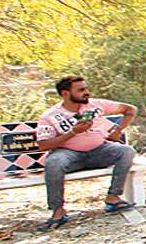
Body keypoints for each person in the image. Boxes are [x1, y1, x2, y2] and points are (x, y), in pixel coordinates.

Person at [35, 76, 138, 229]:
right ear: (65, 94)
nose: (87, 93)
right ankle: (58, 210)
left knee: (126, 151)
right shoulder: (50, 116)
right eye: (81, 90)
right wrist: (73, 132)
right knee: (54, 162)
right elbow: (43, 145)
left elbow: (130, 109)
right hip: (69, 155)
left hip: (98, 151)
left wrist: (118, 130)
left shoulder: (95, 105)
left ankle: (113, 198)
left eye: (86, 88)